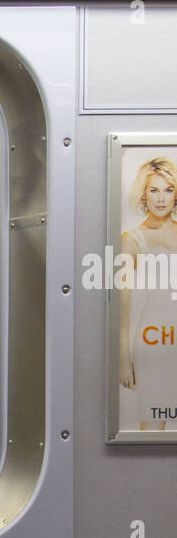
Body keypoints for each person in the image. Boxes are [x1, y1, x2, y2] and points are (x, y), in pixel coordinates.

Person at [119, 156, 177, 430]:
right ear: (144, 193)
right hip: (153, 338)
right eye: (154, 190)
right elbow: (123, 308)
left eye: (168, 189)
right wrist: (123, 358)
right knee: (153, 424)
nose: (161, 198)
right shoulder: (132, 239)